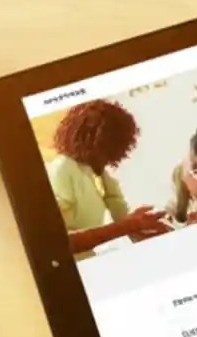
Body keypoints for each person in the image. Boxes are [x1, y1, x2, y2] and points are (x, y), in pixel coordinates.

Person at [46, 99, 170, 256]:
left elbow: (123, 219)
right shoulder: (63, 169)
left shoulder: (98, 174)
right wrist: (131, 225)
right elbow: (56, 243)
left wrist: (142, 228)